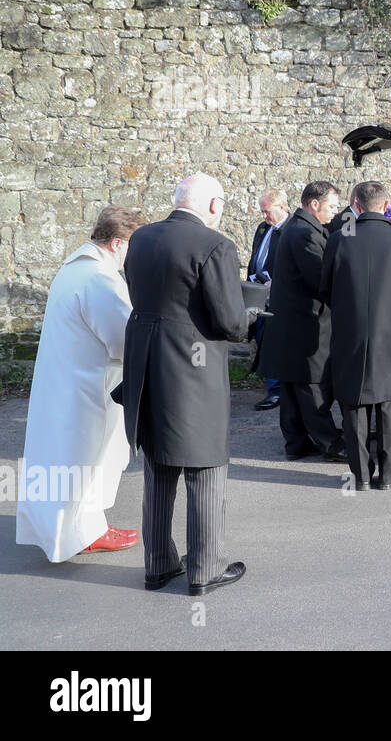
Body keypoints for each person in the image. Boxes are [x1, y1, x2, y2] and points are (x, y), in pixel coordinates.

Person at [121, 174, 252, 595]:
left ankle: (158, 564)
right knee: (205, 468)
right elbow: (230, 321)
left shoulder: (141, 239)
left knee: (158, 464)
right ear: (213, 205)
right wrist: (251, 318)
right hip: (193, 372)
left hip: (146, 366)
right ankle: (205, 568)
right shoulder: (215, 245)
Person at [16, 207, 147, 561]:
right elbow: (122, 338)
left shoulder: (74, 268)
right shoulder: (99, 278)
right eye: (134, 246)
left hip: (67, 379)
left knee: (70, 459)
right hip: (88, 385)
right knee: (87, 459)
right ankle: (83, 533)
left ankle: (89, 526)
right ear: (118, 243)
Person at [321, 181, 391, 490]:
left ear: (356, 204)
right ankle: (390, 474)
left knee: (353, 404)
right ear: (385, 204)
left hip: (349, 333)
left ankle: (361, 476)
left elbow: (325, 289)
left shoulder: (339, 239)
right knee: (388, 403)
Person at [258, 181, 346, 461]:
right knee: (312, 386)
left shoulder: (299, 227)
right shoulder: (304, 233)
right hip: (304, 324)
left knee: (293, 386)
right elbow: (322, 279)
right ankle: (330, 443)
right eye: (331, 206)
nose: (335, 213)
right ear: (314, 204)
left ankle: (296, 444)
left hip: (291, 323)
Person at [248, 188, 289, 411]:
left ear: (282, 207)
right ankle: (273, 388)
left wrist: (277, 282)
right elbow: (256, 256)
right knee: (262, 338)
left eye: (267, 211)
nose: (264, 216)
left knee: (273, 342)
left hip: (278, 296)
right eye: (262, 211)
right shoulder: (263, 228)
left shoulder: (291, 230)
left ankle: (277, 392)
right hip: (258, 292)